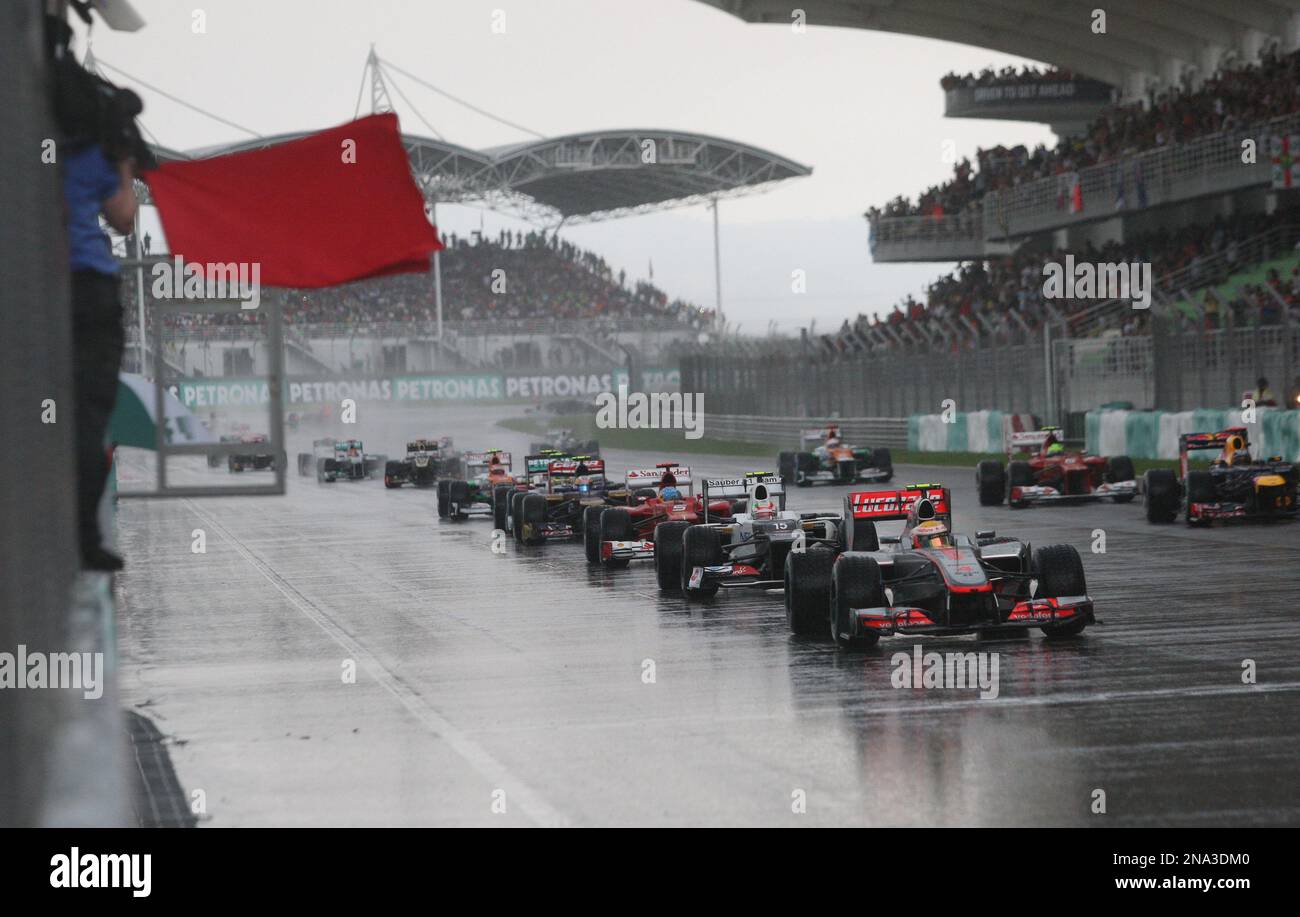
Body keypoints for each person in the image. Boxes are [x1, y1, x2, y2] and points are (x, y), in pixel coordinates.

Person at [63, 136, 138, 572]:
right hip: (88, 285)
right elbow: (124, 217)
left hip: (43, 284)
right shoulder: (89, 146)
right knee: (89, 418)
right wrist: (124, 166)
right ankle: (84, 537)